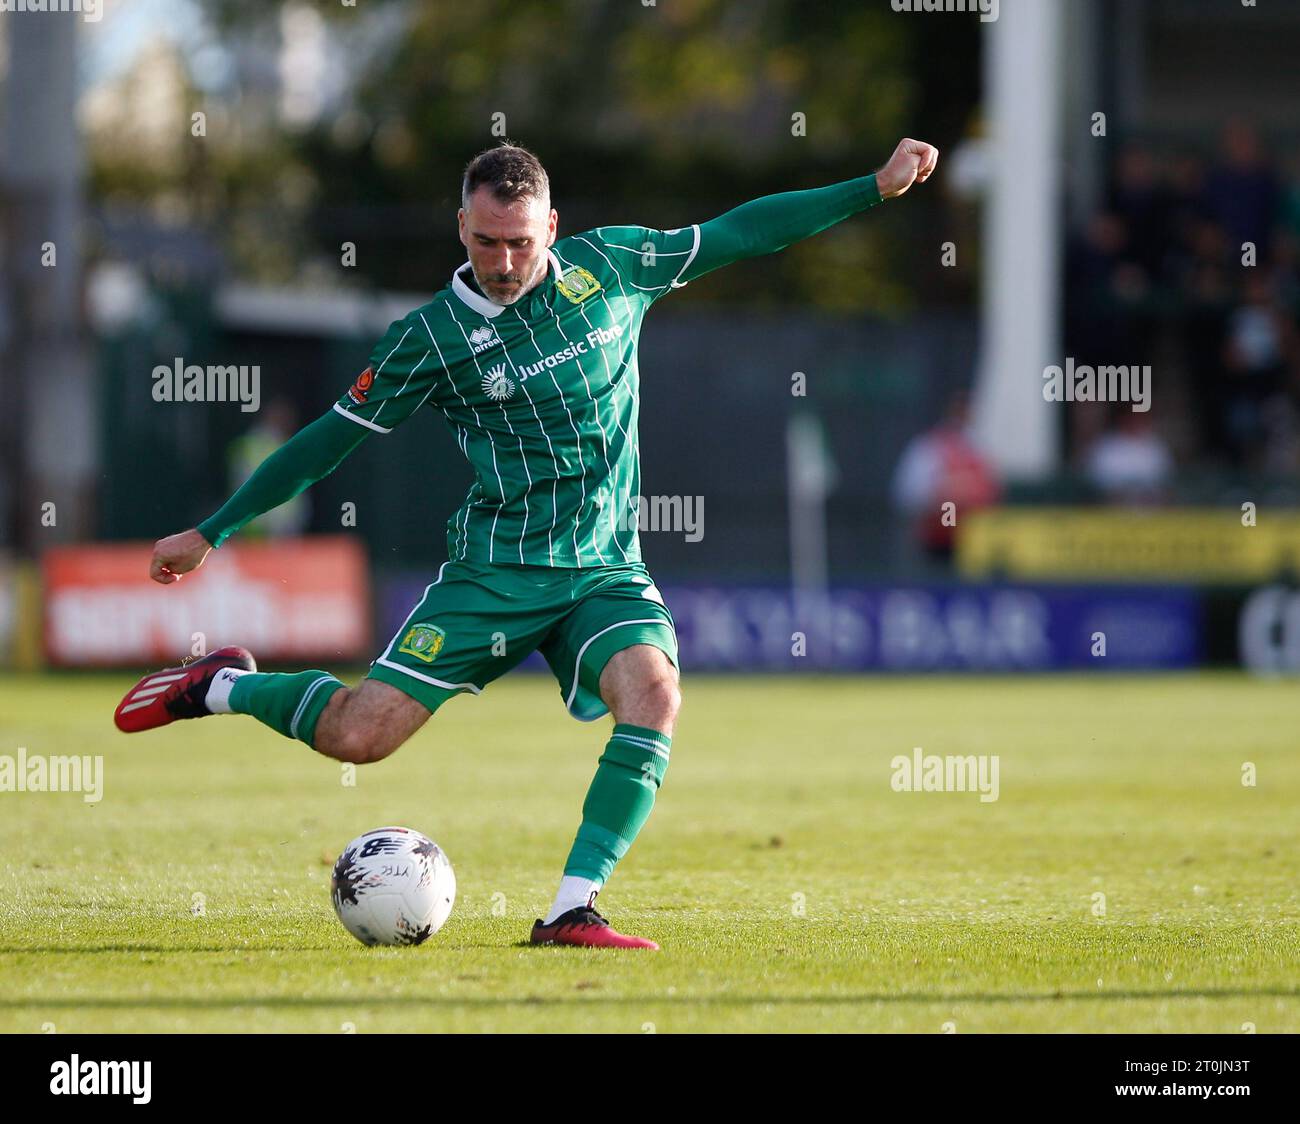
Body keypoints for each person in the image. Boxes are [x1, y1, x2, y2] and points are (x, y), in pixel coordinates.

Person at [114, 138, 939, 949]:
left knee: (653, 697)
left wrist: (872, 187)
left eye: (519, 242)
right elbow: (330, 438)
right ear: (460, 229)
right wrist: (212, 530)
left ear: (551, 227)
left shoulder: (614, 267)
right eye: (485, 242)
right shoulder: (428, 339)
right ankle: (221, 686)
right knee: (358, 738)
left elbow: (742, 231)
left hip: (604, 569)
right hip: (496, 574)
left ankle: (571, 911)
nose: (504, 262)